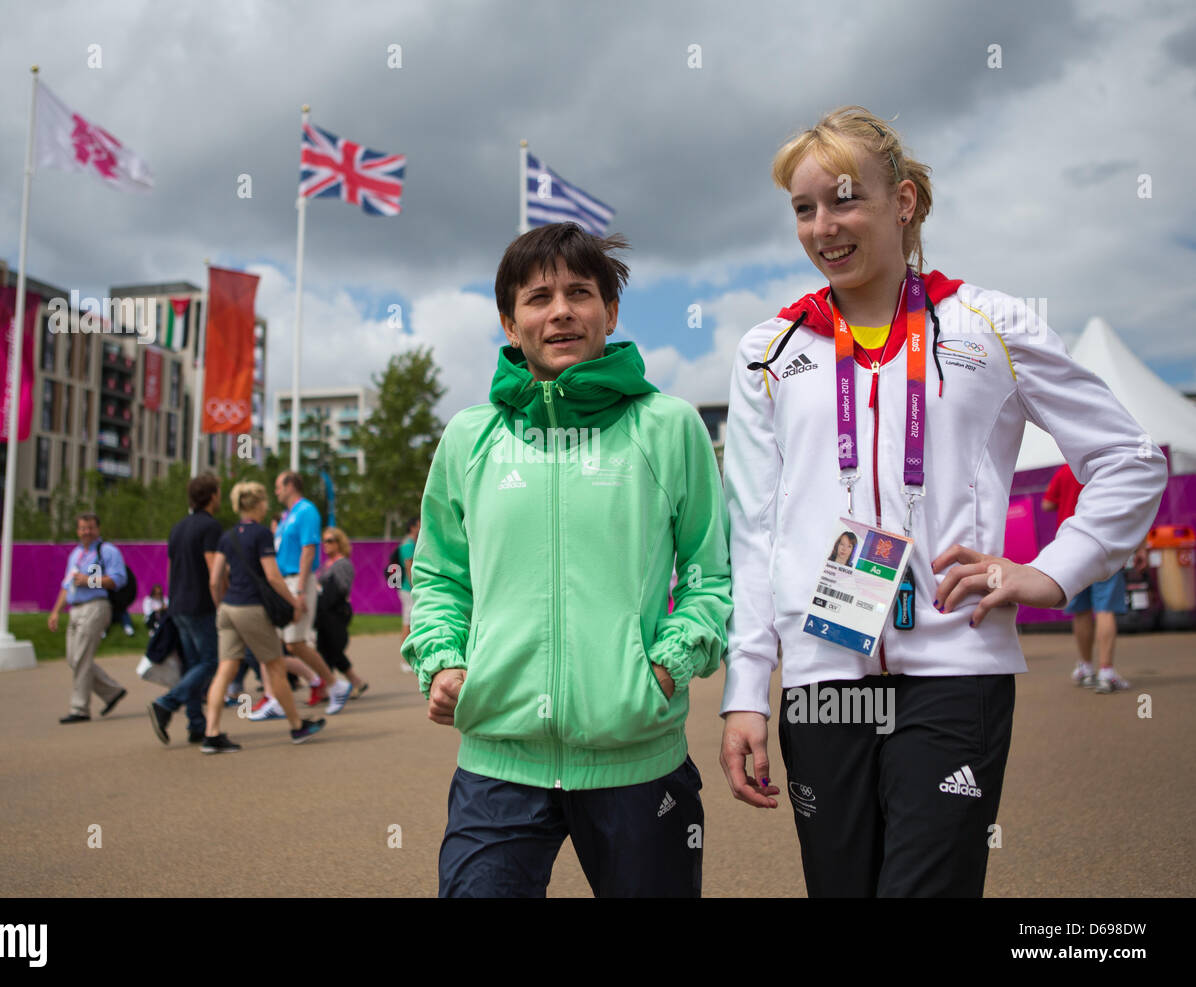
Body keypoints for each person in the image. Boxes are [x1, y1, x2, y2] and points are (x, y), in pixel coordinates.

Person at [718, 106, 1167, 897]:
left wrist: (1049, 572)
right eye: (803, 207)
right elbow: (754, 533)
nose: (824, 226)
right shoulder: (770, 350)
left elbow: (1130, 459)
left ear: (906, 201)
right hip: (823, 678)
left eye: (845, 198)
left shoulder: (989, 323)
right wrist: (746, 691)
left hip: (956, 672)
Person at [402, 222, 732, 898]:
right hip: (498, 762)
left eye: (581, 292)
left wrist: (669, 663)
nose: (560, 311)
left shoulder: (667, 426)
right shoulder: (470, 437)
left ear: (610, 312)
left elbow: (709, 573)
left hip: (639, 760)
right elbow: (439, 575)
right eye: (538, 296)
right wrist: (441, 657)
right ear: (509, 320)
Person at [201, 481, 325, 752]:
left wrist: (220, 604)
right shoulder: (260, 534)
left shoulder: (228, 535)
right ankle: (296, 726)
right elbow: (272, 576)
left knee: (225, 669)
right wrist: (294, 601)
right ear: (258, 504)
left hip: (228, 608)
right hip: (251, 609)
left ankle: (211, 733)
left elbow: (214, 579)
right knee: (276, 667)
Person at [1041, 463, 1146, 693]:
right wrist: (1140, 548)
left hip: (1071, 550)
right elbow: (1133, 509)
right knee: (1105, 609)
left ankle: (1086, 669)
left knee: (1081, 611)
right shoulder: (1110, 468)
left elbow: (1047, 503)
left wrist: (1068, 500)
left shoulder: (1065, 471)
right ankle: (1106, 673)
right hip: (1104, 546)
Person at [261, 470, 351, 714]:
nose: (276, 490)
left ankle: (332, 684)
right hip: (284, 582)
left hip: (297, 581)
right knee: (278, 643)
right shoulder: (287, 516)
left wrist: (300, 590)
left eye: (279, 485)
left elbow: (308, 550)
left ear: (291, 485)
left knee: (296, 642)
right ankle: (278, 697)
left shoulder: (306, 511)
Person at [147, 475, 222, 747]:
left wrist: (169, 600)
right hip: (201, 604)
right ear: (212, 496)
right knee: (211, 662)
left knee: (192, 664)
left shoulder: (178, 527)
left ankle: (196, 725)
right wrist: (222, 600)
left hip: (178, 604)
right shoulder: (211, 528)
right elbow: (214, 568)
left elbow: (171, 568)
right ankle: (166, 703)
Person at [47, 513, 129, 723]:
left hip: (96, 606)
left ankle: (79, 708)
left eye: (90, 528)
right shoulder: (75, 555)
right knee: (73, 659)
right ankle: (112, 691)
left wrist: (90, 581)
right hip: (75, 608)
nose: (86, 532)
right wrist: (56, 611)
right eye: (83, 528)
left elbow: (119, 579)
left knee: (82, 658)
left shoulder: (107, 551)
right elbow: (67, 585)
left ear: (98, 529)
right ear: (77, 530)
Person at [317, 526, 368, 697]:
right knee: (330, 650)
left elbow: (342, 588)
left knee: (330, 649)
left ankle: (327, 688)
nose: (326, 544)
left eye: (330, 540)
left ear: (339, 543)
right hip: (325, 611)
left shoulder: (342, 563)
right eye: (324, 540)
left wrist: (323, 592)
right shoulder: (327, 564)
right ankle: (355, 682)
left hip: (336, 612)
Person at [396, 516, 419, 674]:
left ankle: (412, 656)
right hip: (408, 589)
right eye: (419, 525)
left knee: (412, 623)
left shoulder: (410, 543)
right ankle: (405, 659)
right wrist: (416, 586)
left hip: (408, 589)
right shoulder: (408, 544)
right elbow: (409, 566)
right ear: (412, 527)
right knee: (407, 624)